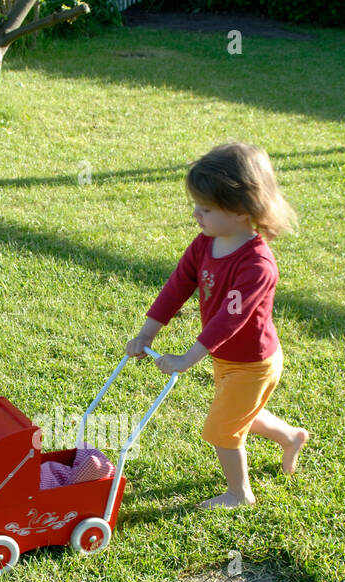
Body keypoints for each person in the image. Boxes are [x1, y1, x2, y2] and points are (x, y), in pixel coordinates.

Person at [126, 141, 310, 509]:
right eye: (196, 205)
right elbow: (177, 286)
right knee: (243, 415)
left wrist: (185, 359)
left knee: (221, 430)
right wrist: (147, 333)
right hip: (228, 359)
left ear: (242, 211)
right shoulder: (205, 243)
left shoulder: (256, 266)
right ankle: (291, 437)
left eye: (206, 208)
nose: (197, 214)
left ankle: (239, 494)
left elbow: (228, 320)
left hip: (253, 363)